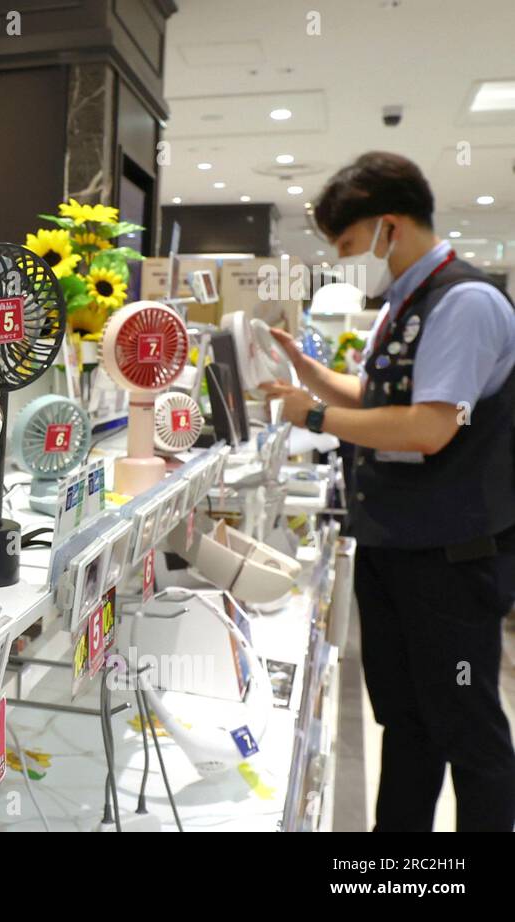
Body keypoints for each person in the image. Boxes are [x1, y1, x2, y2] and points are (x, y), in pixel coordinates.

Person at [263, 151, 515, 832]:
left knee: (467, 729)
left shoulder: (464, 302)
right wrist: (310, 376)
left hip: (451, 558)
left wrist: (312, 417)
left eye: (348, 245)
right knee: (406, 722)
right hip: (395, 548)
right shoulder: (401, 304)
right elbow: (381, 400)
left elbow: (430, 426)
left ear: (390, 227)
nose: (346, 260)